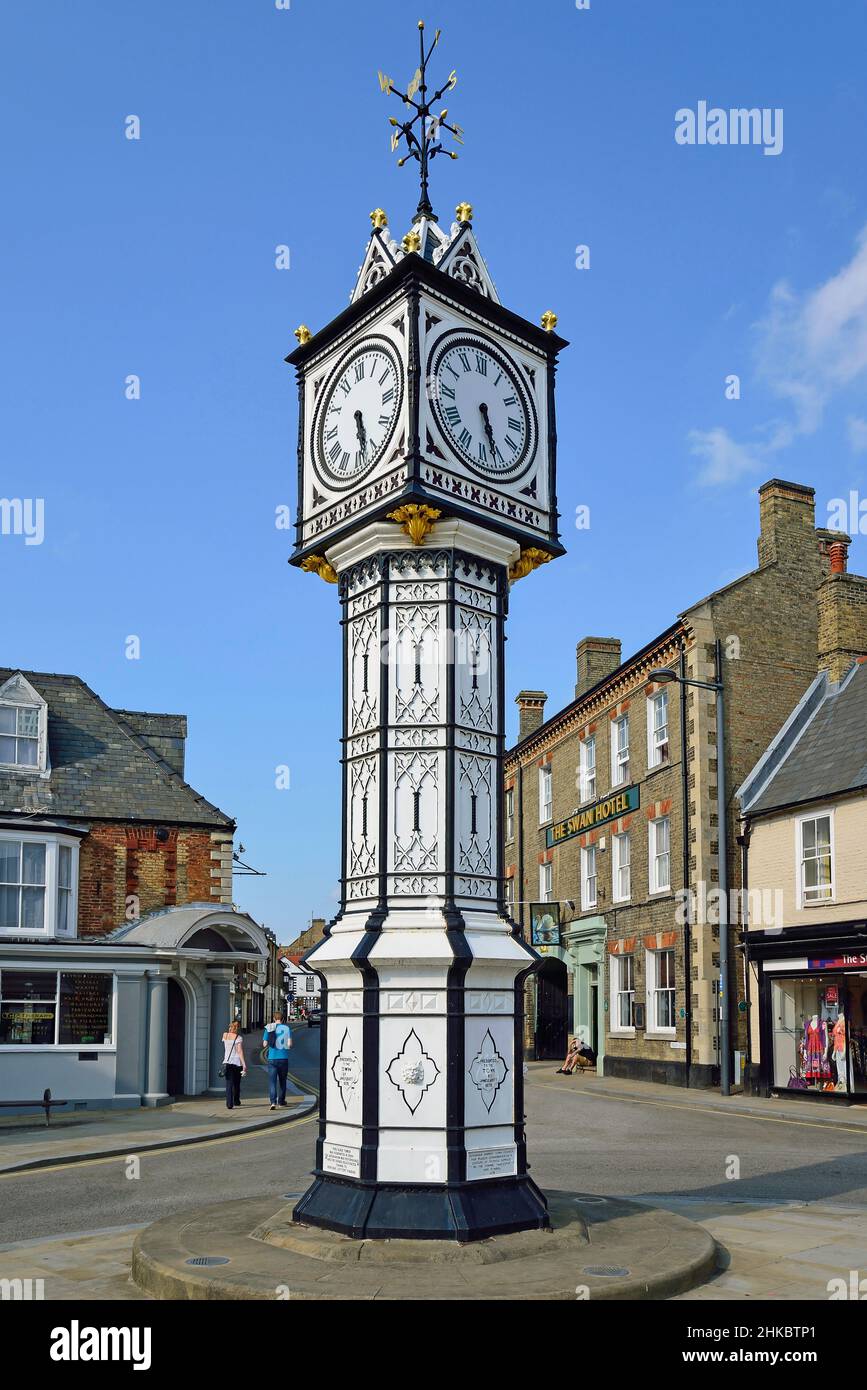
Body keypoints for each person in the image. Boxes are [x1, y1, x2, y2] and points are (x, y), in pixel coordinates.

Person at [263, 1009, 293, 1110]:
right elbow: (289, 1044)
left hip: (272, 1058)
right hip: (283, 1058)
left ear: (274, 1018)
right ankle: (281, 1101)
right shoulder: (287, 1028)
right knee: (283, 1081)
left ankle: (272, 1102)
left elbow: (265, 1044)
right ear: (282, 1019)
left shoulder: (269, 1027)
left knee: (272, 1082)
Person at [222, 1020, 246, 1109]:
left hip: (227, 1062)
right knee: (236, 1083)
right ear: (237, 1028)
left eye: (230, 1027)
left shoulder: (225, 1035)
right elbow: (239, 1051)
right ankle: (236, 1101)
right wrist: (244, 1064)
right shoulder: (238, 1037)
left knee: (229, 1083)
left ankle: (229, 1104)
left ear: (231, 1027)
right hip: (237, 1063)